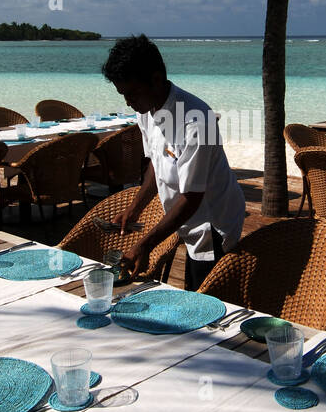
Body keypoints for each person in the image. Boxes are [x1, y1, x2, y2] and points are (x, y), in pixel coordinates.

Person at [101, 35, 246, 291]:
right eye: (123, 94)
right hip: (188, 219)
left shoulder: (197, 122)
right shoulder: (146, 110)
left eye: (131, 93)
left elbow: (192, 198)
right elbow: (157, 163)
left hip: (213, 223)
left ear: (156, 80)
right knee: (194, 288)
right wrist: (136, 207)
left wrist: (145, 245)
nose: (127, 102)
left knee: (207, 297)